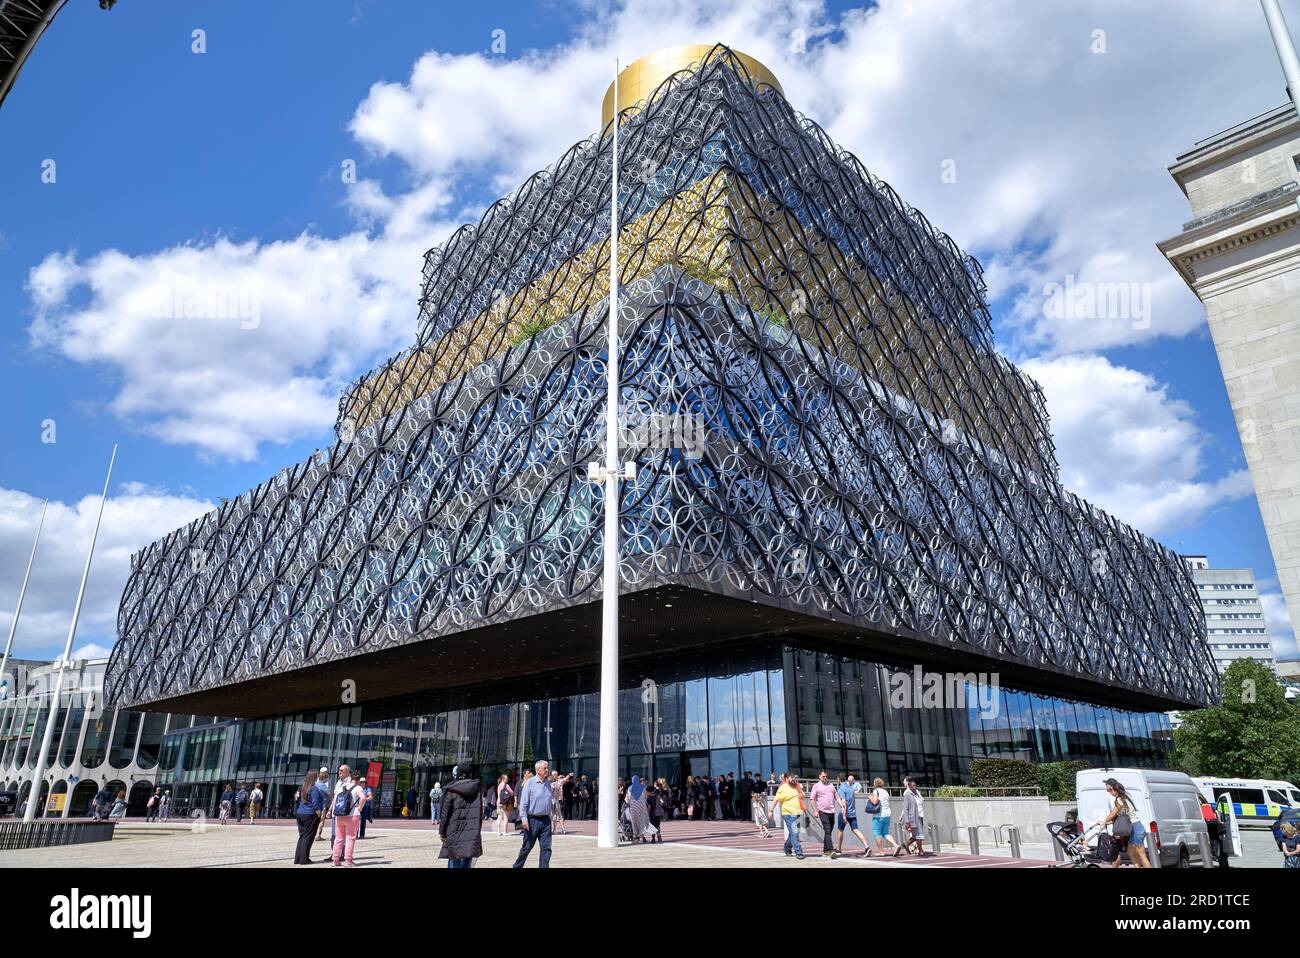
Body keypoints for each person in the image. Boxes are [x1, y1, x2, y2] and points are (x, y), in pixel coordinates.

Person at [439, 764, 484, 868]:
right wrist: (478, 830)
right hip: (472, 831)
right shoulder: (476, 789)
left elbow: (445, 813)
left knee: (454, 856)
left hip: (454, 830)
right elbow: (479, 812)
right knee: (468, 857)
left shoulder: (452, 789)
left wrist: (442, 832)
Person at [513, 759, 554, 868]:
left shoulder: (548, 784)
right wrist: (524, 819)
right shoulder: (530, 784)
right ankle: (517, 866)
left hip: (545, 820)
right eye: (545, 768)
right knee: (527, 847)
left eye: (547, 768)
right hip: (532, 820)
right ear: (538, 770)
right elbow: (524, 803)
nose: (547, 770)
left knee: (546, 848)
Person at [328, 763, 367, 867]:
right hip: (352, 815)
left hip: (339, 815)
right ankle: (348, 861)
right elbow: (363, 798)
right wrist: (359, 808)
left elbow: (335, 799)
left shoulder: (342, 787)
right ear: (359, 780)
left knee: (338, 838)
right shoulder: (358, 788)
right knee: (350, 838)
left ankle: (335, 860)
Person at [1098, 777, 1136, 869]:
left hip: (1119, 829)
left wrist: (1104, 821)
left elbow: (1114, 814)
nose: (1105, 786)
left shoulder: (1115, 798)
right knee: (1123, 852)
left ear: (1110, 786)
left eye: (1106, 784)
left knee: (1118, 852)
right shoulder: (1123, 796)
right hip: (1125, 827)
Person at [773, 772, 808, 860]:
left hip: (797, 812)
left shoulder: (796, 786)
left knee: (793, 833)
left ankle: (787, 848)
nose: (793, 779)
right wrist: (770, 810)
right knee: (795, 832)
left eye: (793, 777)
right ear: (786, 779)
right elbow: (776, 799)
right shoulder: (782, 788)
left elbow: (803, 795)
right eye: (791, 778)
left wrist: (801, 794)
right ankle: (798, 852)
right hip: (788, 813)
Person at [294, 770, 326, 864]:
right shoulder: (313, 789)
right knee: (308, 837)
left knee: (302, 836)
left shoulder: (303, 787)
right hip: (310, 814)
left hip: (300, 813)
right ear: (314, 777)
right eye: (317, 776)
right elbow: (315, 804)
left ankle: (298, 858)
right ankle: (304, 859)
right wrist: (319, 814)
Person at [835, 774, 870, 856]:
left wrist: (844, 815)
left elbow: (843, 802)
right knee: (856, 830)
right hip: (852, 813)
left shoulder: (841, 789)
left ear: (838, 779)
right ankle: (867, 847)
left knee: (840, 830)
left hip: (845, 812)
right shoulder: (850, 787)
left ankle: (839, 849)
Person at [809, 770, 841, 858]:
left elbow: (836, 797)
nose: (825, 778)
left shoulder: (831, 785)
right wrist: (815, 810)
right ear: (819, 776)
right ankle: (831, 850)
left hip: (831, 811)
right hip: (822, 812)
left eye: (826, 776)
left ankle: (825, 851)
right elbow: (812, 799)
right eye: (823, 776)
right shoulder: (816, 786)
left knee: (828, 832)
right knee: (827, 830)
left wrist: (841, 805)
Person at [868, 778, 902, 856]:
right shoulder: (886, 791)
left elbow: (875, 801)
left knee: (877, 832)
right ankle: (895, 845)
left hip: (879, 815)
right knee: (885, 833)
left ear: (875, 784)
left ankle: (881, 851)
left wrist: (870, 798)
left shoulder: (875, 791)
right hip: (887, 814)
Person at [901, 778, 926, 856]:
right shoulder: (907, 795)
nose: (914, 787)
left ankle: (906, 844)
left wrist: (918, 794)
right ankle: (921, 850)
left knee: (915, 835)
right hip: (914, 817)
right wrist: (907, 821)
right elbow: (905, 808)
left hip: (920, 816)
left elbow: (921, 801)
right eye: (912, 786)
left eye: (915, 785)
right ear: (909, 786)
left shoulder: (917, 793)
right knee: (919, 835)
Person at [625, 775, 653, 842]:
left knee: (635, 823)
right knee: (641, 822)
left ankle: (637, 837)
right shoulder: (643, 788)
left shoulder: (630, 788)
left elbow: (627, 799)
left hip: (633, 808)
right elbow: (645, 797)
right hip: (641, 807)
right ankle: (643, 836)